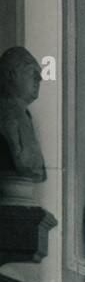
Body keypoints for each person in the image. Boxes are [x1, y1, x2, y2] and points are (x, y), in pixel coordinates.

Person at [0, 46, 47, 198]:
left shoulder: (25, 115)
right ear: (11, 74)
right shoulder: (6, 112)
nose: (39, 79)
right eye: (32, 72)